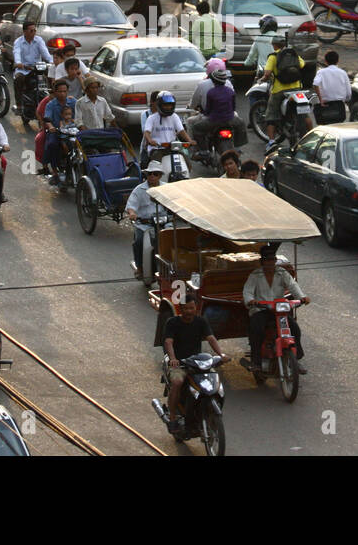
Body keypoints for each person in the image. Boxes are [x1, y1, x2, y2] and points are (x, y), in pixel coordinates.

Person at [161, 298, 227, 431]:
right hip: (178, 363)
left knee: (212, 378)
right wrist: (173, 359)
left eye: (191, 308)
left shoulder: (201, 321)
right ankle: (172, 417)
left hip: (197, 362)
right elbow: (168, 342)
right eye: (186, 309)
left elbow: (211, 338)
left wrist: (221, 355)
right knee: (178, 382)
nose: (189, 311)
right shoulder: (172, 322)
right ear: (181, 309)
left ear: (195, 308)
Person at [243, 245, 309, 372]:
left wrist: (302, 297)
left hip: (279, 311)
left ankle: (296, 359)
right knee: (257, 330)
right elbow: (248, 291)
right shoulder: (255, 275)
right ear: (262, 262)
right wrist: (251, 300)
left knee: (294, 328)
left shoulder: (282, 273)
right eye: (267, 260)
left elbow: (293, 285)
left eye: (273, 260)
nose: (270, 263)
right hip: (261, 310)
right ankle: (256, 362)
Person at [259, 32, 305, 143]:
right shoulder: (293, 54)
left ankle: (271, 142)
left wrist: (262, 79)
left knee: (271, 115)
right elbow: (302, 65)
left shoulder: (273, 56)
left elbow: (267, 73)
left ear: (274, 45)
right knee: (305, 113)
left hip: (280, 90)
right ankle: (309, 133)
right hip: (297, 88)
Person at [128, 161, 167, 281]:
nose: (152, 176)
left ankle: (173, 269)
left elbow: (176, 203)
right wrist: (132, 213)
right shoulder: (139, 189)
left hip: (164, 223)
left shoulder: (167, 188)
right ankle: (140, 268)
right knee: (138, 242)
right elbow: (131, 206)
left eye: (155, 174)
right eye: (150, 174)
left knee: (174, 240)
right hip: (144, 224)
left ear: (160, 175)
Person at [189, 68, 244, 148]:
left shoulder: (211, 92)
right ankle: (238, 147)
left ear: (213, 81)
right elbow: (233, 107)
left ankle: (203, 150)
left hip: (214, 120)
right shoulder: (230, 91)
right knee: (241, 124)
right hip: (230, 119)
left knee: (196, 128)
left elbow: (208, 110)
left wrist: (203, 112)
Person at [13, 21, 52, 127]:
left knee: (52, 77)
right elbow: (16, 53)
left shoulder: (39, 40)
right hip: (24, 69)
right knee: (18, 79)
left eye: (35, 30)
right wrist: (19, 63)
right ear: (25, 31)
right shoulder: (18, 42)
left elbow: (45, 53)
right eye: (31, 30)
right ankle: (19, 105)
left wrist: (52, 63)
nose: (34, 32)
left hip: (38, 68)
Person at [41, 79, 78, 183]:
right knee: (52, 144)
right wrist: (51, 126)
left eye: (65, 91)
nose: (63, 94)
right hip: (57, 132)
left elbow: (80, 114)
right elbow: (47, 118)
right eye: (60, 91)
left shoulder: (73, 102)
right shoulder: (50, 105)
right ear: (55, 92)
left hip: (72, 131)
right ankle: (55, 173)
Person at [143, 90, 191, 160]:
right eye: (165, 105)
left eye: (170, 105)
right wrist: (150, 140)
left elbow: (181, 131)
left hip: (173, 148)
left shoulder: (175, 116)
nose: (168, 107)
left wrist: (190, 140)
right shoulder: (151, 118)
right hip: (157, 149)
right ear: (159, 105)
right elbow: (147, 132)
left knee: (186, 163)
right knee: (158, 166)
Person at [312, 50, 351, 124]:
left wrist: (321, 99)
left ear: (326, 61)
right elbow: (349, 93)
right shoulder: (343, 73)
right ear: (338, 60)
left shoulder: (321, 72)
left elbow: (315, 84)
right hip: (339, 106)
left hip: (325, 106)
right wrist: (345, 101)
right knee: (338, 126)